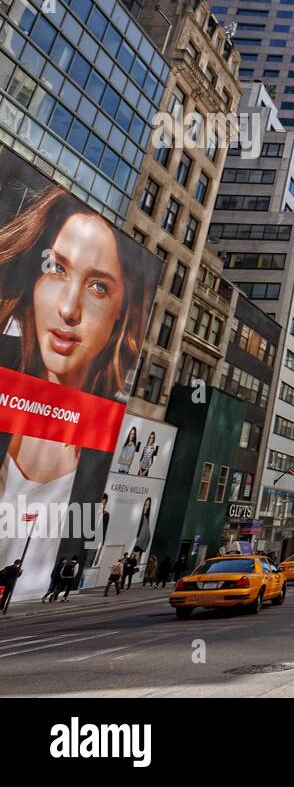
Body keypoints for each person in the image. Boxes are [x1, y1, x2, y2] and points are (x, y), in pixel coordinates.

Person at [0, 185, 153, 601]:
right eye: (56, 269)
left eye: (98, 287)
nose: (69, 308)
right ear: (34, 278)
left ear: (122, 314)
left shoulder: (101, 445)